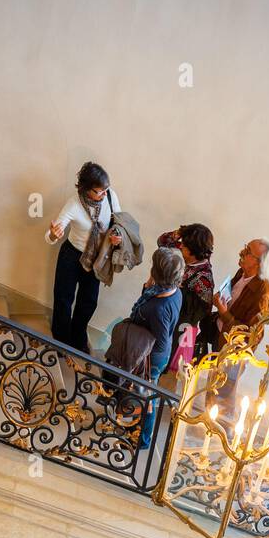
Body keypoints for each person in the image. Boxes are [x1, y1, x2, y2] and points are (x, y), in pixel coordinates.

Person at [46, 160, 122, 353]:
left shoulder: (110, 196)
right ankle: (61, 340)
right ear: (86, 188)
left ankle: (78, 337)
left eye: (105, 190)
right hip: (71, 255)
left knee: (88, 302)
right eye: (99, 191)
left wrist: (117, 238)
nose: (104, 194)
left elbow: (119, 224)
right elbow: (51, 234)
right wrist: (54, 234)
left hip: (96, 258)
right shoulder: (74, 204)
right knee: (63, 299)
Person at [125, 246, 185, 448]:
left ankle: (142, 440)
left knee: (147, 397)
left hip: (151, 357)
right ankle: (131, 422)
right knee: (140, 391)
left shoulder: (160, 308)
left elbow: (161, 342)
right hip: (148, 352)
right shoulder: (173, 292)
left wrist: (145, 364)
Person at [198, 238, 269, 354]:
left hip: (230, 349)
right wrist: (220, 296)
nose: (241, 252)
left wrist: (224, 312)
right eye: (245, 247)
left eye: (248, 251)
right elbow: (231, 294)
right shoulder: (242, 272)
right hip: (218, 332)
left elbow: (251, 337)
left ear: (259, 263)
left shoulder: (263, 294)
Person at [157, 224, 215, 369]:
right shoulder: (188, 255)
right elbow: (163, 242)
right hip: (165, 318)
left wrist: (177, 290)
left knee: (162, 363)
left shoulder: (203, 278)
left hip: (177, 328)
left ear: (193, 250)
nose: (180, 245)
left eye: (184, 244)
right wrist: (181, 232)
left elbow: (202, 311)